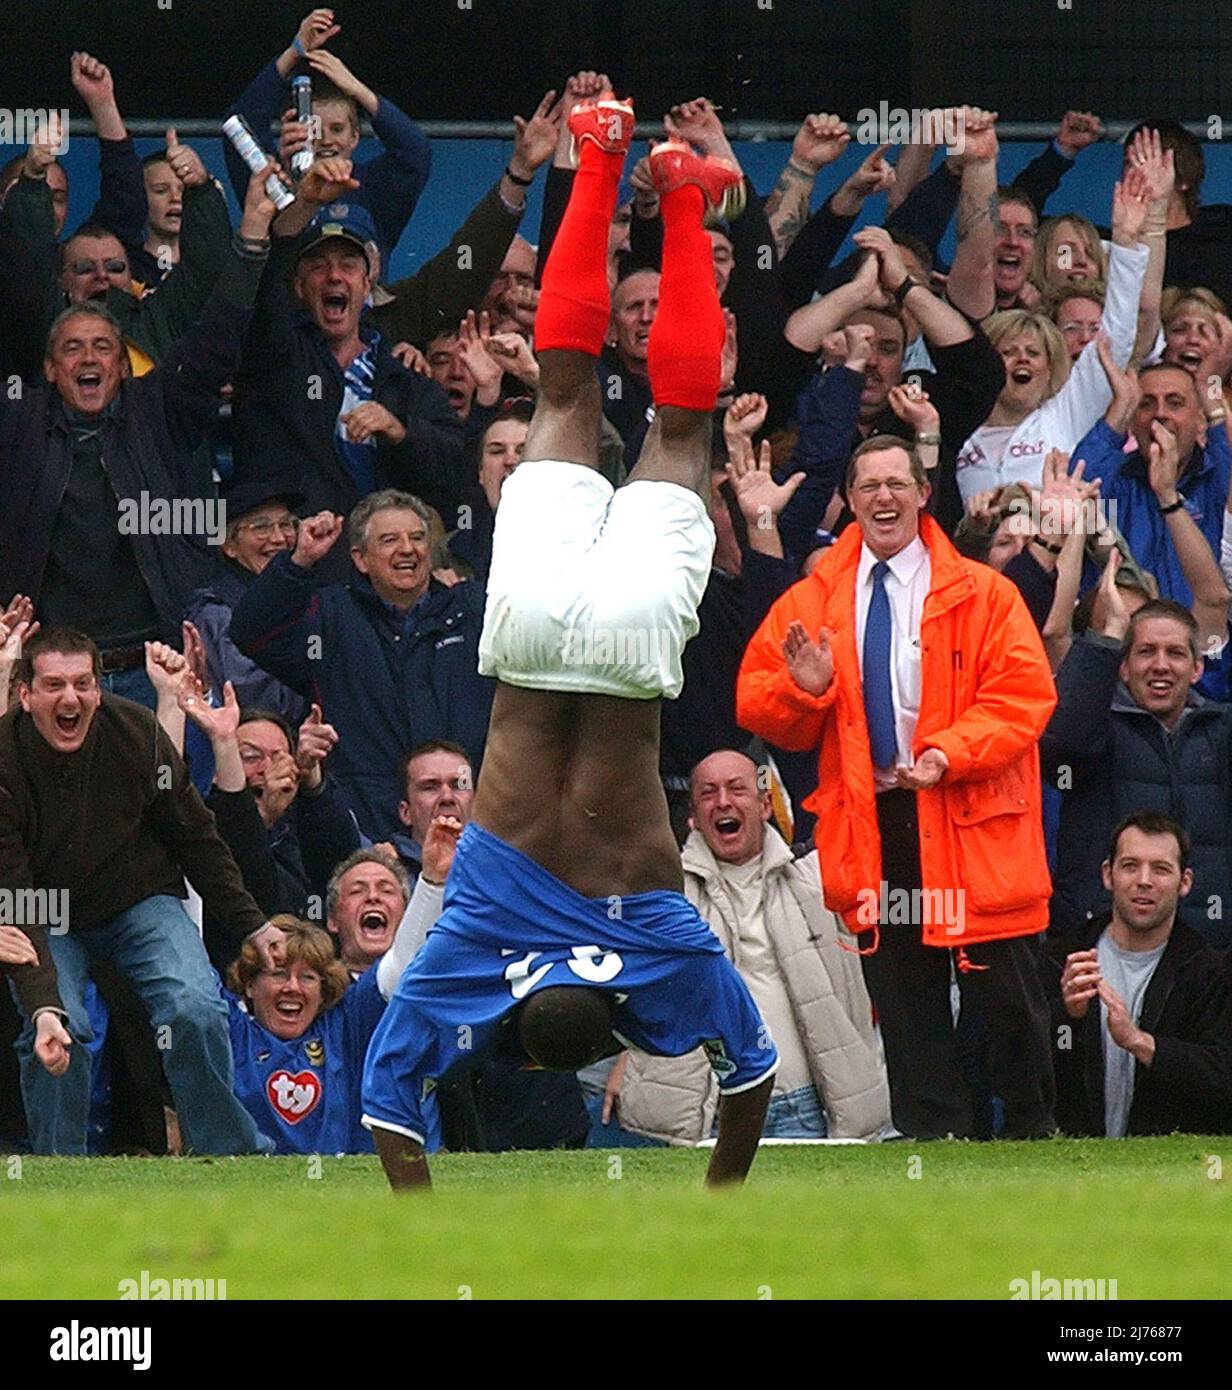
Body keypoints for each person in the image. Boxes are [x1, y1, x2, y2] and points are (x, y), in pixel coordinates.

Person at [361, 95, 778, 1191]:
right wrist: (409, 1196)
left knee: (678, 427)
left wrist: (724, 1185)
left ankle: (679, 198)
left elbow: (747, 1079)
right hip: (534, 637)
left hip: (628, 655)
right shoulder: (476, 934)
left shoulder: (660, 945)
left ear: (615, 1019)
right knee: (562, 389)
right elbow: (387, 1110)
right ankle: (598, 162)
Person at [738, 434, 1059, 1140]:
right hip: (877, 821)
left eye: (897, 483)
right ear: (850, 501)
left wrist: (947, 753)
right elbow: (757, 703)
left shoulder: (984, 593)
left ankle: (1033, 1130)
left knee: (1002, 989)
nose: (884, 496)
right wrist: (807, 693)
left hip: (967, 813)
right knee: (905, 995)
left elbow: (1024, 699)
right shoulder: (814, 598)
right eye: (868, 486)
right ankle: (933, 1142)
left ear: (922, 493)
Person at [0, 164, 281, 709]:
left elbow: (218, 333)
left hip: (152, 672)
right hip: (49, 674)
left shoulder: (159, 411)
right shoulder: (18, 426)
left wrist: (251, 236)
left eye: (103, 347)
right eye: (72, 349)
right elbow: (25, 288)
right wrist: (30, 196)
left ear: (124, 366)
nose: (88, 359)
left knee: (160, 796)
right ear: (50, 369)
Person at [0, 628, 282, 1155]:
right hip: (46, 911)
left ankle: (230, 1156)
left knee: (193, 1008)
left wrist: (252, 924)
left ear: (99, 690)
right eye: (54, 685)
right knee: (60, 1030)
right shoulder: (4, 759)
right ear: (24, 694)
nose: (70, 699)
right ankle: (59, 1176)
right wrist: (42, 1008)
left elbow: (196, 839)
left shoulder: (137, 732)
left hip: (139, 898)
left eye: (83, 684)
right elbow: (15, 892)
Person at [614, 750, 890, 1144]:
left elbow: (903, 903)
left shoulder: (822, 879)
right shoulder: (663, 896)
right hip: (707, 1115)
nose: (723, 801)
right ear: (692, 817)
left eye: (736, 789)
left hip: (805, 1106)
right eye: (708, 793)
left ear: (764, 806)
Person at [230, 164, 467, 583]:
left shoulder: (405, 379)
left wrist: (400, 432)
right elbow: (266, 289)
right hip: (295, 574)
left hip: (384, 583)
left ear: (368, 279)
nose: (334, 275)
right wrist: (303, 205)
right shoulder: (275, 356)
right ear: (299, 287)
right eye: (318, 266)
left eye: (347, 265)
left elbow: (454, 471)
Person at [229, 489, 493, 843]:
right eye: (389, 540)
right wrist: (299, 562)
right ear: (360, 558)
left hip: (470, 819)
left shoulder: (471, 610)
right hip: (369, 825)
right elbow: (251, 632)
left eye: (417, 538)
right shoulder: (331, 616)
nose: (407, 549)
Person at [225, 819, 458, 1154]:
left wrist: (433, 883)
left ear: (323, 990)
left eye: (307, 977)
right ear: (249, 985)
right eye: (278, 974)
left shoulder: (346, 1021)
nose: (292, 987)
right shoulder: (230, 1027)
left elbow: (397, 970)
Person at [1041, 588, 1232, 949]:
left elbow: (1214, 596)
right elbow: (1059, 755)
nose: (1160, 665)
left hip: (1210, 947)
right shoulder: (1096, 728)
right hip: (1101, 940)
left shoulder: (1221, 731)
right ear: (1124, 667)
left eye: (1175, 653)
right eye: (1146, 652)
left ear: (1197, 668)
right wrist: (1107, 637)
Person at [1046, 814, 1232, 1135]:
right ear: (1108, 874)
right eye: (1130, 866)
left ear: (1184, 882)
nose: (1144, 880)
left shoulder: (1210, 972)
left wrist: (1141, 1044)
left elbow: (1221, 1079)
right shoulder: (1060, 959)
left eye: (1160, 869)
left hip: (1165, 1176)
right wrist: (1067, 1016)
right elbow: (1016, 1076)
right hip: (1071, 1173)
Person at [224, 7, 430, 272]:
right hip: (285, 313)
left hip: (358, 313)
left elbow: (415, 152)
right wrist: (293, 52)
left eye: (337, 129)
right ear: (296, 130)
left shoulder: (370, 187)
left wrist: (357, 89)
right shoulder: (273, 182)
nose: (326, 141)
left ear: (355, 137)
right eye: (314, 129)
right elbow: (238, 128)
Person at [182, 481, 308, 723]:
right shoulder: (216, 613)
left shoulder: (307, 596)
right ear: (229, 545)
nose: (279, 538)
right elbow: (263, 702)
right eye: (261, 528)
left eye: (286, 525)